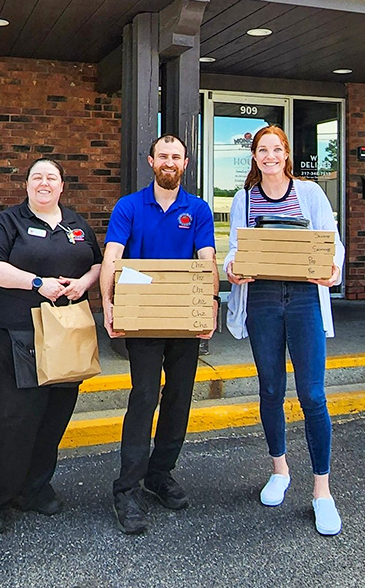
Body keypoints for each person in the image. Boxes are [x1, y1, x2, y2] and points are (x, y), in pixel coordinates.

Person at [0, 158, 102, 536]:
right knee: (15, 419)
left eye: (51, 178)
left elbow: (97, 262)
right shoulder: (8, 222)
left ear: (62, 186)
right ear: (27, 185)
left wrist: (84, 283)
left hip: (66, 332)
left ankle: (34, 488)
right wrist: (35, 283)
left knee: (54, 416)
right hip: (19, 334)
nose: (44, 183)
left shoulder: (76, 224)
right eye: (37, 177)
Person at [224, 125, 345, 536]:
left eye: (277, 149)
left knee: (312, 393)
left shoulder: (309, 193)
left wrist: (333, 268)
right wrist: (232, 268)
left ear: (286, 154)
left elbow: (332, 242)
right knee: (271, 388)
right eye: (263, 150)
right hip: (262, 299)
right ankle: (279, 470)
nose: (270, 156)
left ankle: (322, 491)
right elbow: (236, 249)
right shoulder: (244, 198)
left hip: (304, 297)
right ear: (254, 156)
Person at [100, 134, 218, 535]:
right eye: (163, 155)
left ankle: (160, 474)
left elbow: (207, 260)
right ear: (151, 160)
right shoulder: (129, 206)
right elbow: (112, 257)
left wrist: (211, 306)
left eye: (177, 156)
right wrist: (108, 305)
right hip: (143, 316)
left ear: (186, 163)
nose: (169, 161)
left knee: (180, 397)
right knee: (145, 395)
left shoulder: (198, 209)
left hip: (185, 318)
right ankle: (126, 488)